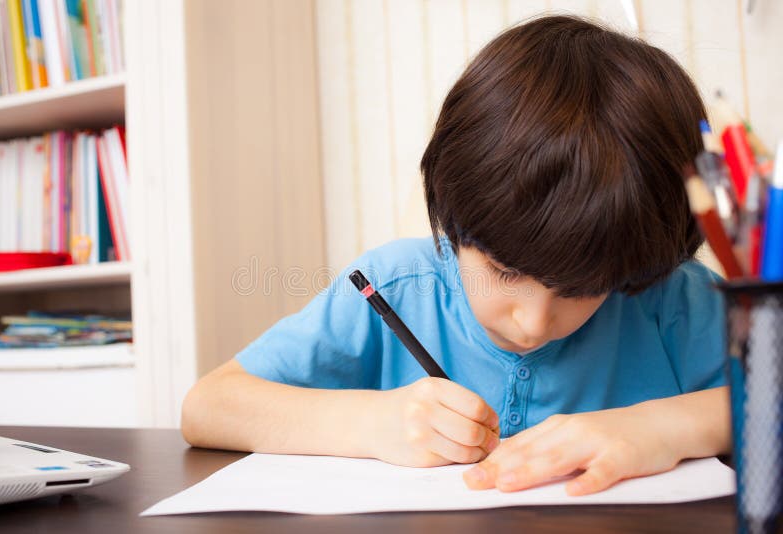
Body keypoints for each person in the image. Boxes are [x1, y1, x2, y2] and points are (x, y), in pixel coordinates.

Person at [181, 15, 729, 496]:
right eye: (505, 270)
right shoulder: (394, 284)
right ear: (455, 216)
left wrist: (664, 426)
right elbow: (207, 406)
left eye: (582, 287)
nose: (533, 321)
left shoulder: (668, 299)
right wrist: (370, 422)